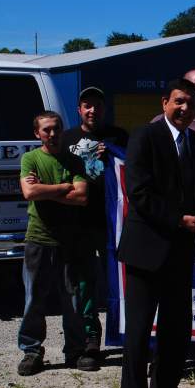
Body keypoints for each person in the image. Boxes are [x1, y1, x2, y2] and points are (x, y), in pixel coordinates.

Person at [116, 79, 195, 388]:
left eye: (191, 103)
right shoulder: (144, 136)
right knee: (140, 327)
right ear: (165, 103)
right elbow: (138, 193)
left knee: (176, 326)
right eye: (179, 101)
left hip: (182, 250)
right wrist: (177, 220)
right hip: (147, 248)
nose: (185, 108)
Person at [58, 86, 129, 369]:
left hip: (114, 221)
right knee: (85, 282)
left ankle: (125, 333)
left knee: (120, 278)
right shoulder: (67, 139)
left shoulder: (118, 137)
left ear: (104, 109)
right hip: (81, 222)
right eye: (87, 105)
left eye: (97, 105)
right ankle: (91, 337)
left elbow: (132, 167)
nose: (92, 110)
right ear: (79, 110)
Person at [16, 111, 90, 376]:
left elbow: (82, 197)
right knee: (34, 298)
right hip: (38, 239)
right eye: (46, 129)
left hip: (68, 240)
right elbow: (29, 192)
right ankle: (32, 350)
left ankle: (76, 350)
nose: (52, 134)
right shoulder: (30, 159)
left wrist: (45, 190)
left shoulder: (75, 161)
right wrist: (63, 186)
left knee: (72, 299)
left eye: (56, 128)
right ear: (37, 133)